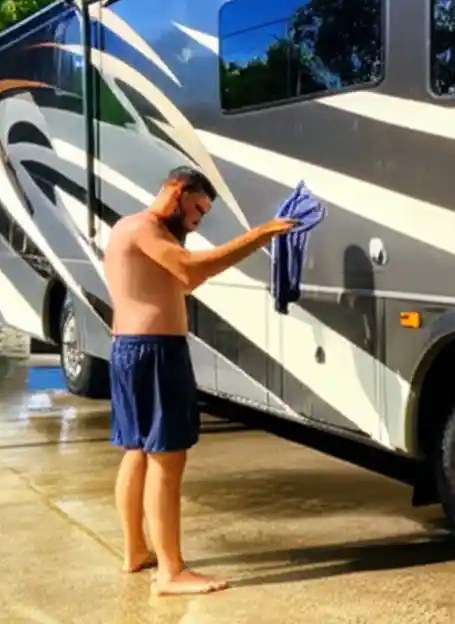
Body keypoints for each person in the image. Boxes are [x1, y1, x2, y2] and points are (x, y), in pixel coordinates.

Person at [101, 165, 295, 595]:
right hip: (154, 352)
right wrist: (258, 237)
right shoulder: (147, 227)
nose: (196, 219)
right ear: (175, 189)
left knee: (138, 452)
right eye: (197, 208)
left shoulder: (128, 227)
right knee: (167, 459)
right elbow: (191, 272)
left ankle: (136, 551)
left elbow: (176, 282)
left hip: (130, 347)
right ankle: (171, 571)